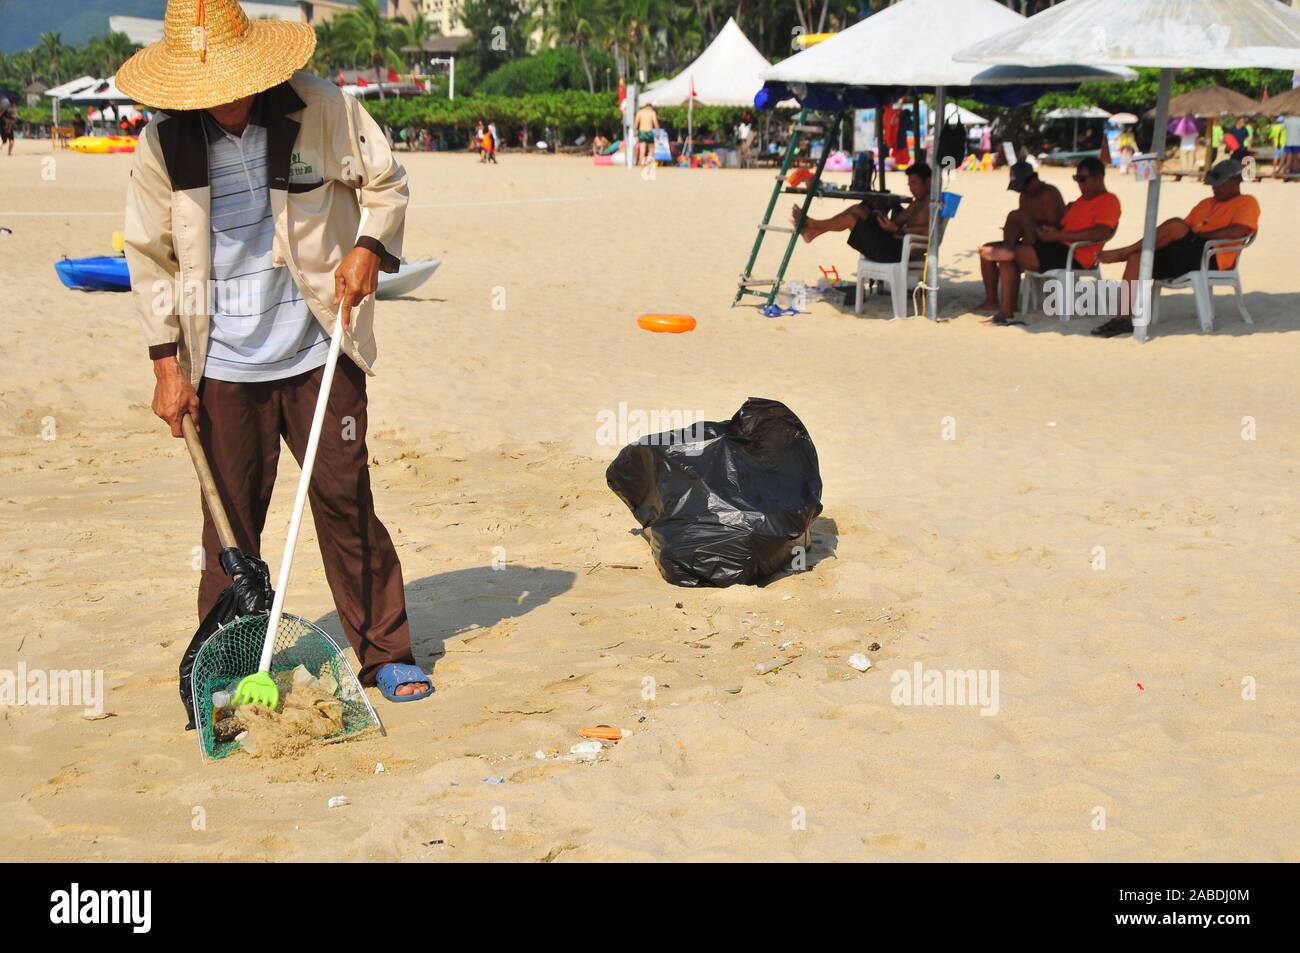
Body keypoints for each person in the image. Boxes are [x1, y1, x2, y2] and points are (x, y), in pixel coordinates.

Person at [116, 0, 431, 701]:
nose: (224, 99)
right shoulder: (165, 145)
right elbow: (149, 257)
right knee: (227, 527)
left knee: (345, 500)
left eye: (233, 81)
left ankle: (385, 651)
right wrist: (167, 368)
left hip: (321, 345)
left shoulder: (318, 107)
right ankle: (229, 668)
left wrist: (368, 249)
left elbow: (386, 183)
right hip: (221, 364)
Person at [1092, 159, 1260, 338]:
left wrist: (1199, 236)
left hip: (1211, 257)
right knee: (1137, 257)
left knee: (1175, 225)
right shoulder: (1206, 204)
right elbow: (1185, 229)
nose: (1214, 189)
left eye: (1219, 185)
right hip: (1187, 253)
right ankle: (1122, 318)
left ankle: (1123, 252)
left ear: (1235, 182)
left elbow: (1240, 230)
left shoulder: (1247, 202)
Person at [981, 158, 1121, 326]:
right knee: (1007, 250)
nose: (1079, 184)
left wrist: (1058, 236)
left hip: (1074, 255)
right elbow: (1063, 225)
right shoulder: (1081, 201)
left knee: (1008, 252)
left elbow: (1101, 232)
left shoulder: (1109, 200)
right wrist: (1050, 232)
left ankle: (1006, 310)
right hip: (1057, 246)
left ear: (1099, 177)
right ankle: (1006, 310)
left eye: (1082, 179)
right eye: (1076, 179)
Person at [976, 161, 1065, 315]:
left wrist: (1032, 225)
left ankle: (1009, 305)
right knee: (987, 251)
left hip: (1048, 245)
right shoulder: (1025, 196)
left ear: (1030, 181)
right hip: (1028, 240)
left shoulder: (1048, 193)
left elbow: (1056, 227)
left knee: (1017, 217)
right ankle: (991, 301)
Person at [793, 162, 932, 260]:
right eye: (909, 184)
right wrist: (881, 218)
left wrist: (897, 228)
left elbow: (929, 231)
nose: (911, 188)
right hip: (891, 241)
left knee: (850, 219)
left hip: (895, 252)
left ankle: (812, 225)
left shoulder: (932, 203)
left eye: (914, 183)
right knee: (858, 209)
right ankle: (813, 232)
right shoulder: (917, 203)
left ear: (928, 182)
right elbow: (897, 222)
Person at [635, 101, 659, 166]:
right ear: (650, 107)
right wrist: (657, 132)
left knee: (642, 148)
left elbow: (636, 122)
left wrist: (635, 131)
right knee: (652, 148)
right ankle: (648, 161)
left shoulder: (640, 112)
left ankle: (642, 161)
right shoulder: (652, 112)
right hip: (649, 132)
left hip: (642, 131)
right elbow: (655, 123)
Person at [1277, 114, 1300, 179]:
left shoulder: (1287, 120)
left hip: (1288, 143)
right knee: (1296, 158)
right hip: (1297, 143)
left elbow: (1280, 131)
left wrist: (1278, 142)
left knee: (1287, 159)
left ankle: (1281, 171)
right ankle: (1291, 172)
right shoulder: (1299, 120)